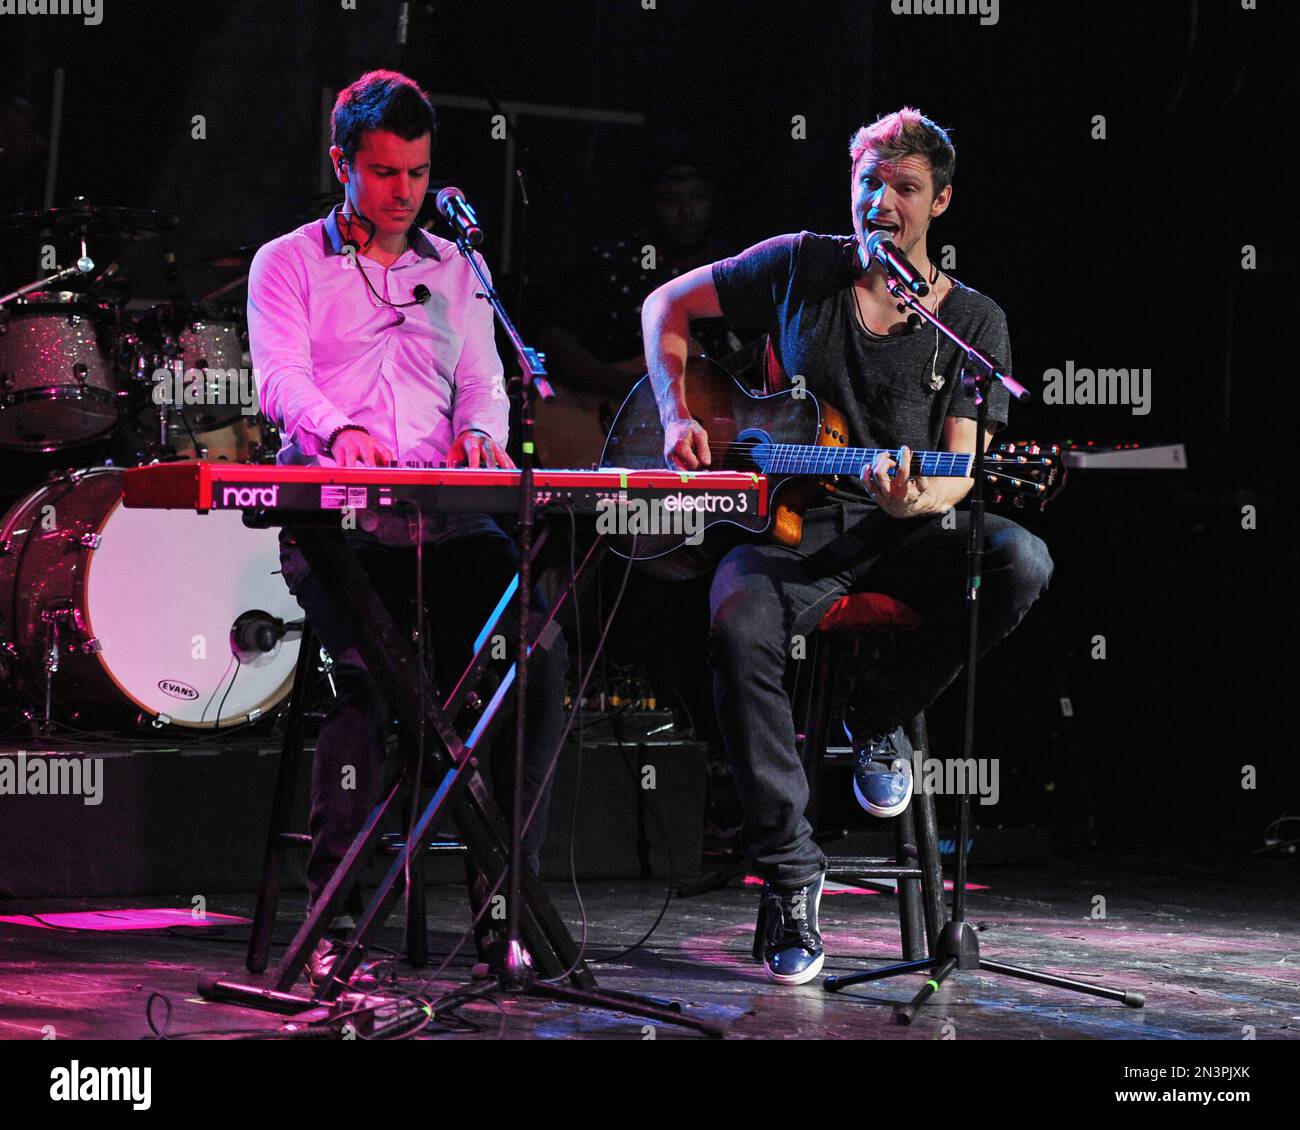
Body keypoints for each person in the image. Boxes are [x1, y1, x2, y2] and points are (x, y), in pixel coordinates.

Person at [639, 107, 1053, 984]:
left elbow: (959, 470)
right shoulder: (801, 264)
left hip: (902, 534)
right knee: (734, 621)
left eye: (904, 188)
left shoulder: (973, 325)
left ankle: (877, 713)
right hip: (790, 532)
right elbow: (664, 302)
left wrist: (916, 495)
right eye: (870, 183)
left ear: (939, 202)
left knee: (1022, 561)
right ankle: (789, 870)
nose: (882, 202)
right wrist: (679, 413)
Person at [247, 70, 567, 989]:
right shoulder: (287, 264)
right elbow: (278, 378)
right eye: (385, 173)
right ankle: (334, 926)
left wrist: (478, 436)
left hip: (447, 526)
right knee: (376, 682)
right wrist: (337, 431)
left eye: (419, 174)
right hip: (338, 526)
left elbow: (486, 381)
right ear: (342, 164)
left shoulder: (458, 265)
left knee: (537, 663)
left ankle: (505, 901)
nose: (404, 193)